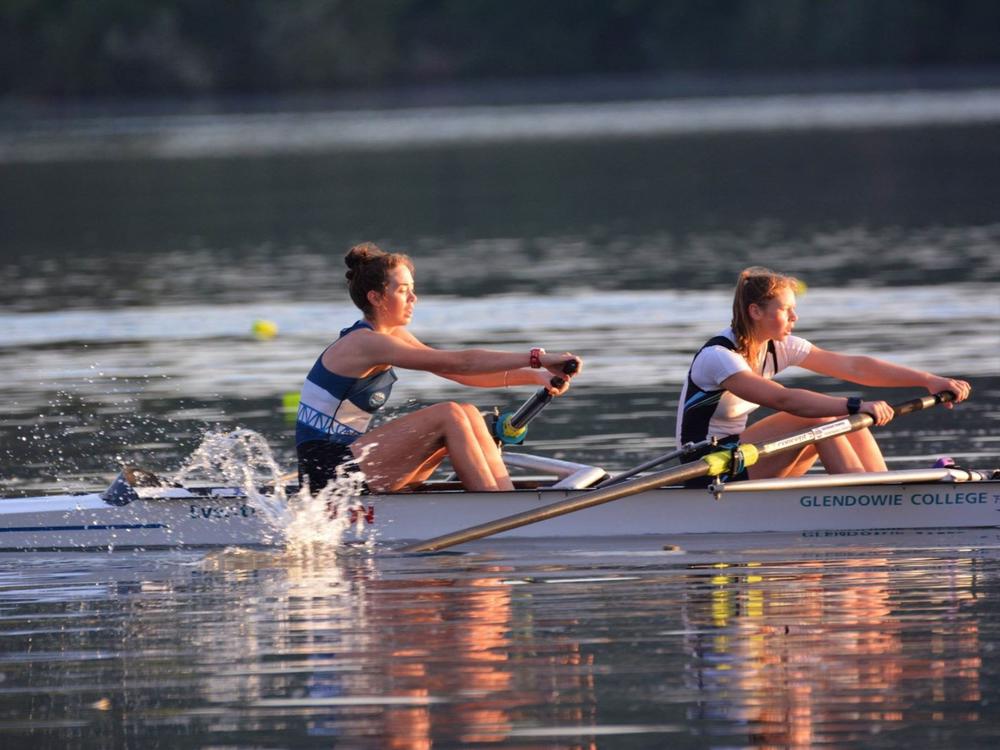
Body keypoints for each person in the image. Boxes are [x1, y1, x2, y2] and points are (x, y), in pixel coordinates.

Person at [296, 243, 583, 493]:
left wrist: (538, 376)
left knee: (467, 413)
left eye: (412, 290)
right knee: (448, 415)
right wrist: (536, 357)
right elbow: (460, 362)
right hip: (327, 474)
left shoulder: (389, 336)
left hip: (353, 465)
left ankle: (502, 496)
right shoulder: (365, 343)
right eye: (403, 291)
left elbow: (458, 373)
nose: (413, 299)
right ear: (376, 297)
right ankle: (497, 508)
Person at [676, 266, 971, 484]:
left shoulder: (778, 347)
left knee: (841, 420)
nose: (795, 317)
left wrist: (928, 379)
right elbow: (785, 399)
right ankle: (869, 497)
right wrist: (856, 405)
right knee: (820, 418)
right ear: (755, 311)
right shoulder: (719, 358)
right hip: (706, 467)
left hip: (742, 455)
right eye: (786, 309)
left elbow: (855, 367)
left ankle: (882, 484)